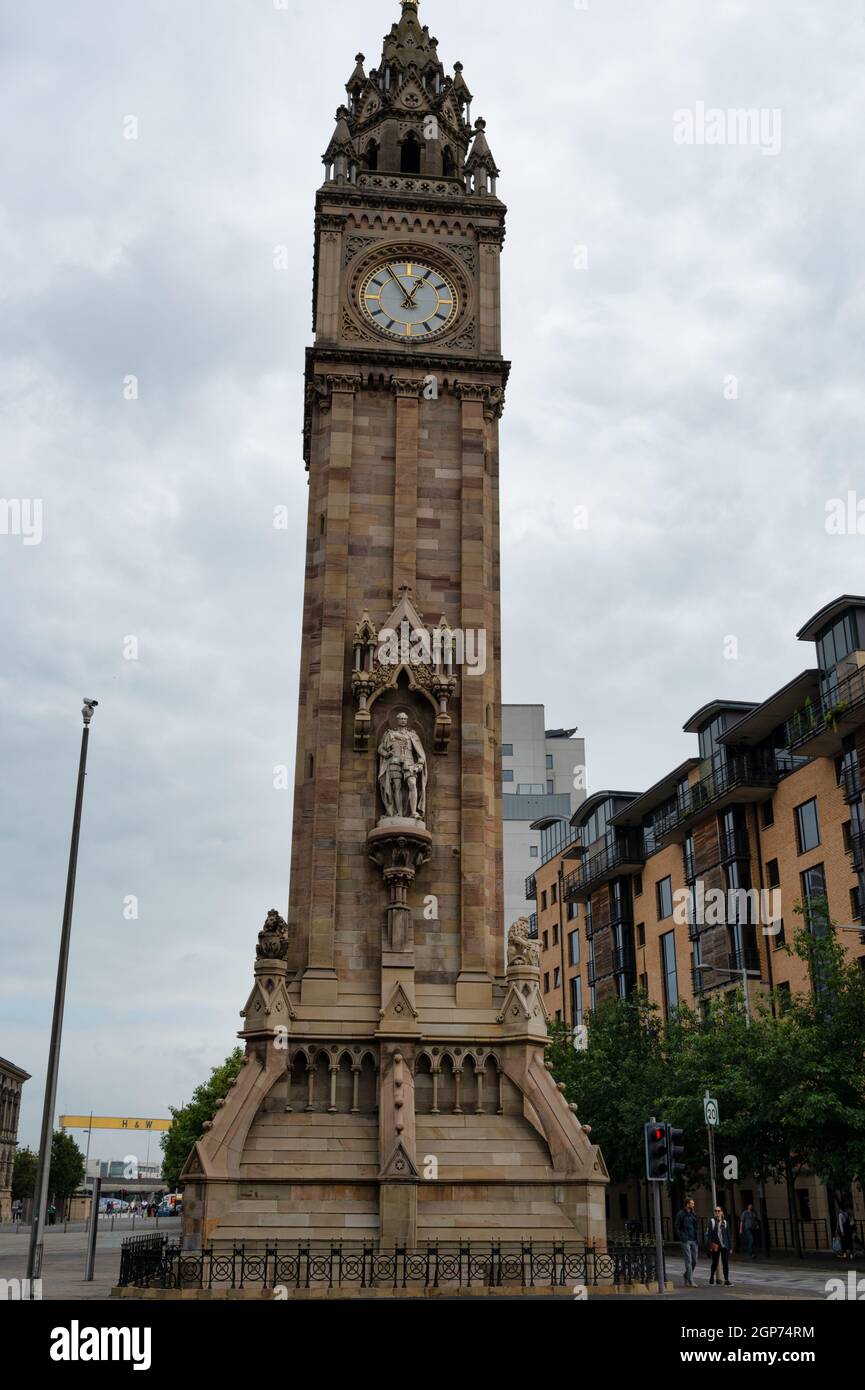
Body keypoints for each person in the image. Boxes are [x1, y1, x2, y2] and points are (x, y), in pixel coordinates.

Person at [675, 1197, 700, 1287]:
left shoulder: (693, 1214)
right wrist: (681, 1237)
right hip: (685, 1240)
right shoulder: (680, 1214)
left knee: (694, 1261)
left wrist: (697, 1238)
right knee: (688, 1260)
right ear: (687, 1204)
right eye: (692, 1203)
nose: (693, 1205)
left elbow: (696, 1227)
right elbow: (677, 1227)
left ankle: (686, 1275)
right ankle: (690, 1280)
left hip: (694, 1240)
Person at [707, 1205, 733, 1286]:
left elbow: (728, 1235)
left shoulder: (725, 1222)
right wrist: (710, 1247)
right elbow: (709, 1235)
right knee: (714, 1262)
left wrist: (730, 1247)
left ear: (722, 1212)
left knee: (725, 1263)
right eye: (716, 1211)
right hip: (716, 1245)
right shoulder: (712, 1221)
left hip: (724, 1246)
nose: (717, 1212)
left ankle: (727, 1280)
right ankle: (711, 1277)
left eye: (719, 1211)